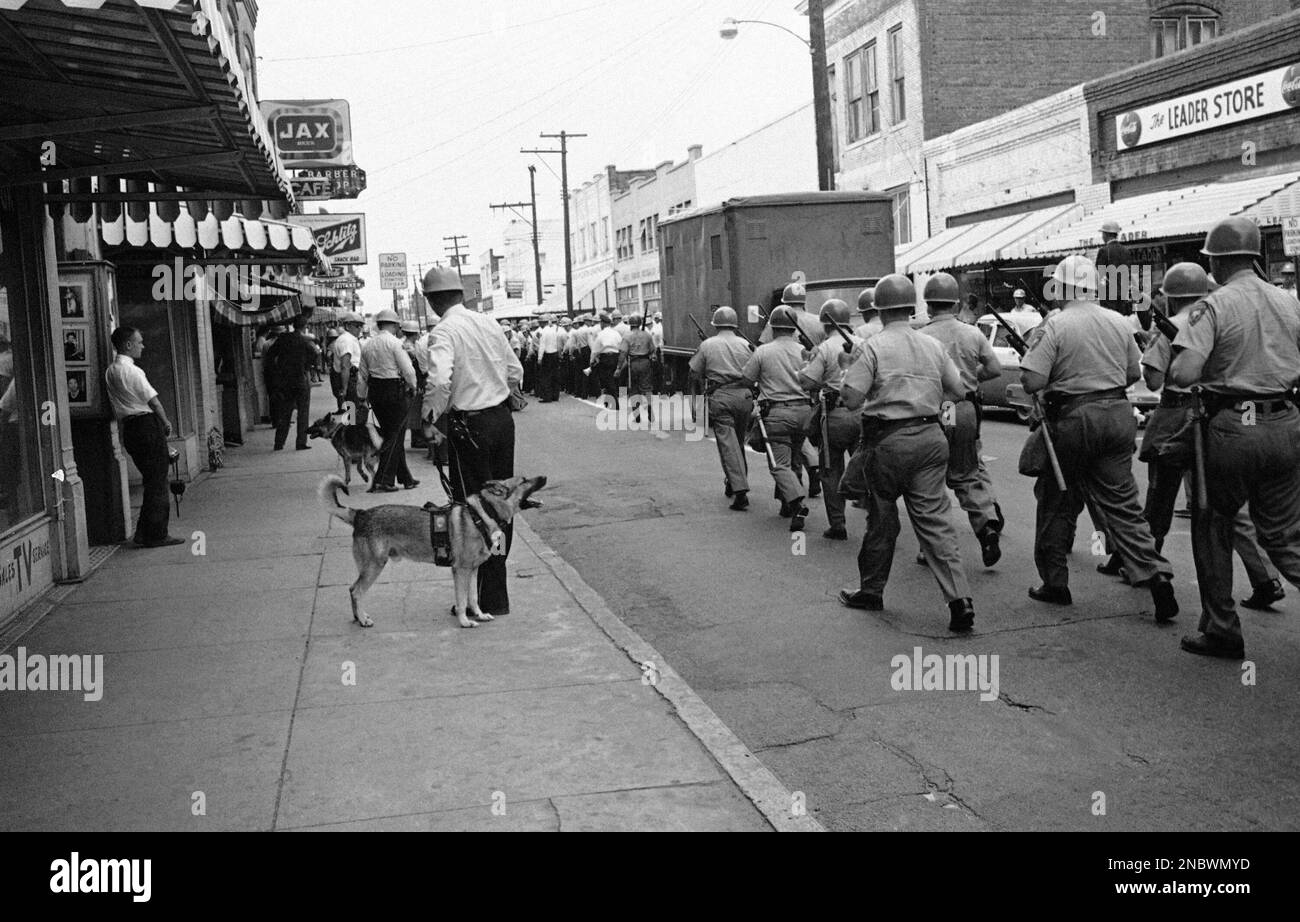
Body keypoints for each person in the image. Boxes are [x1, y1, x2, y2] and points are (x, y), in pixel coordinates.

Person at [1020, 255, 1177, 621]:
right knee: (1123, 505)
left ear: (1061, 288)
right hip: (1118, 415)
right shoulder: (1117, 322)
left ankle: (1055, 582)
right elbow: (1129, 373)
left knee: (1057, 500)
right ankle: (1156, 573)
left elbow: (1032, 380)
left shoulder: (1054, 324)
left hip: (1074, 419)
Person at [1169, 217, 1300, 658]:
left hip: (1232, 427)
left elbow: (1184, 374)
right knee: (1283, 536)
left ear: (1219, 261)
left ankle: (1222, 629)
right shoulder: (1289, 302)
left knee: (1214, 527)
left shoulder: (1212, 306)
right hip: (1285, 421)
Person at [1140, 262, 1284, 611]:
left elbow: (1154, 382)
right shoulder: (1215, 318)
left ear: (1171, 297)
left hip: (1174, 412)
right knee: (1229, 506)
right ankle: (1265, 576)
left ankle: (1148, 565)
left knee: (1160, 496)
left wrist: (1152, 349)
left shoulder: (1170, 328)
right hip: (1215, 413)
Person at [836, 274, 976, 632]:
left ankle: (871, 590)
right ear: (911, 307)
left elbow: (851, 399)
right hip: (931, 438)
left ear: (880, 311)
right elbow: (958, 390)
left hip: (888, 442)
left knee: (882, 519)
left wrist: (846, 369)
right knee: (936, 521)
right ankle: (959, 600)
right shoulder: (931, 345)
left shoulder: (873, 346)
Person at [422, 266, 524, 618]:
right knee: (500, 506)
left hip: (470, 427)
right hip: (501, 420)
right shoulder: (489, 323)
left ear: (433, 300)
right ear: (461, 294)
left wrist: (430, 419)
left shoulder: (444, 330)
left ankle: (481, 596)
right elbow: (515, 370)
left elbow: (438, 381)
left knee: (471, 512)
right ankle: (496, 593)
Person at [920, 272, 1004, 566]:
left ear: (929, 306)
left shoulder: (921, 337)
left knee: (930, 479)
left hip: (938, 410)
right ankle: (986, 524)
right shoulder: (972, 333)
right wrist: (970, 377)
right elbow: (994, 369)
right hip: (966, 408)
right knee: (967, 472)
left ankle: (930, 544)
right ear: (955, 304)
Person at [105, 326, 184, 547]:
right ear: (128, 345)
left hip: (130, 429)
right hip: (146, 425)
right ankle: (157, 533)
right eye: (139, 342)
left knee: (151, 480)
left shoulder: (110, 371)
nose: (143, 346)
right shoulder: (133, 372)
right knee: (158, 480)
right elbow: (153, 400)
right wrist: (166, 421)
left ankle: (143, 532)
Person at [742, 306, 812, 532]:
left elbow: (746, 378)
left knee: (779, 464)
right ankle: (785, 503)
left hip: (777, 414)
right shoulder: (804, 350)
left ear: (772, 327)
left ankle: (797, 503)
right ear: (794, 328)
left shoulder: (763, 351)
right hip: (804, 412)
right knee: (795, 459)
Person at [798, 299, 863, 540]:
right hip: (863, 413)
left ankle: (838, 524)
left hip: (834, 415)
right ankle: (874, 516)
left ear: (825, 325)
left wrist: (806, 363)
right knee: (866, 464)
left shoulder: (824, 348)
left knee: (831, 469)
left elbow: (807, 382)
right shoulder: (863, 343)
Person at [690, 307, 754, 511]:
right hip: (744, 396)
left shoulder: (708, 345)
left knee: (728, 445)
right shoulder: (745, 344)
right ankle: (734, 480)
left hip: (722, 397)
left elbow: (694, 372)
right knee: (739, 441)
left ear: (716, 324)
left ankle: (740, 489)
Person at [357, 308, 419, 492]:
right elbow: (408, 370)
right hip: (394, 390)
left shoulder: (368, 345)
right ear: (394, 325)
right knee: (395, 435)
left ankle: (406, 478)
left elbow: (362, 375)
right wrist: (413, 386)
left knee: (391, 434)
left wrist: (361, 397)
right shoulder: (394, 343)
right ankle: (383, 479)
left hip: (375, 391)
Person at [264, 314, 319, 451]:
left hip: (285, 380)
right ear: (305, 326)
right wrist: (306, 366)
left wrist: (278, 370)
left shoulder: (283, 339)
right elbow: (315, 354)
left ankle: (279, 442)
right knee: (303, 412)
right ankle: (301, 442)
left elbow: (270, 355)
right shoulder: (305, 340)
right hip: (301, 379)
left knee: (285, 412)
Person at [615, 313, 657, 421]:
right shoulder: (647, 335)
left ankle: (637, 415)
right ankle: (650, 412)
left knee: (633, 388)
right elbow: (652, 350)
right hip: (645, 362)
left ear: (630, 325)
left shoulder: (627, 336)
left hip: (632, 363)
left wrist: (619, 368)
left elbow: (623, 353)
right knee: (646, 388)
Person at [1094, 219, 1135, 318]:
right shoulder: (1126, 251)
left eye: (1103, 234)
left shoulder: (1104, 251)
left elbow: (1099, 275)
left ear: (1106, 234)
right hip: (1123, 296)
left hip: (1108, 296)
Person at [401, 320, 430, 449]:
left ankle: (417, 438)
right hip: (414, 382)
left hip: (413, 382)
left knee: (416, 411)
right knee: (416, 411)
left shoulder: (409, 344)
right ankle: (418, 439)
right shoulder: (409, 346)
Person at [332, 313, 364, 413]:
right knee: (353, 411)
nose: (359, 329)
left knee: (354, 411)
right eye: (356, 326)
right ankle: (352, 428)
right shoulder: (346, 340)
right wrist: (344, 388)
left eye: (360, 326)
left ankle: (351, 427)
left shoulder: (350, 339)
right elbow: (345, 365)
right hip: (349, 379)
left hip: (353, 378)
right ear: (347, 326)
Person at [589, 312, 622, 406]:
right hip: (616, 357)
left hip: (605, 358)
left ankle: (614, 401)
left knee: (607, 380)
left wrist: (592, 361)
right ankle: (609, 400)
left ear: (603, 323)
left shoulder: (601, 334)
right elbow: (621, 345)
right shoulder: (616, 333)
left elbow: (595, 350)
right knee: (614, 379)